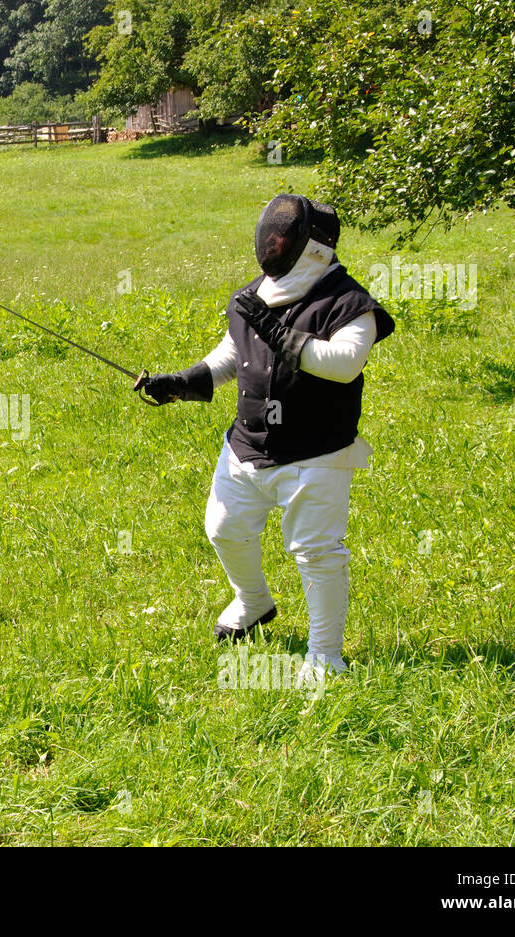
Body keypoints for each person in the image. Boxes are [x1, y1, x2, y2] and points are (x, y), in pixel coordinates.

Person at [139, 195, 395, 679]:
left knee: (315, 553)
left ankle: (325, 654)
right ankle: (253, 601)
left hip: (317, 450)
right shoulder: (256, 296)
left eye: (285, 234)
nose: (273, 242)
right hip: (247, 444)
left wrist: (277, 332)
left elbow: (344, 365)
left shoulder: (349, 302)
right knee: (223, 528)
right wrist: (179, 383)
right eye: (271, 232)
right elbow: (231, 358)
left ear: (313, 245)